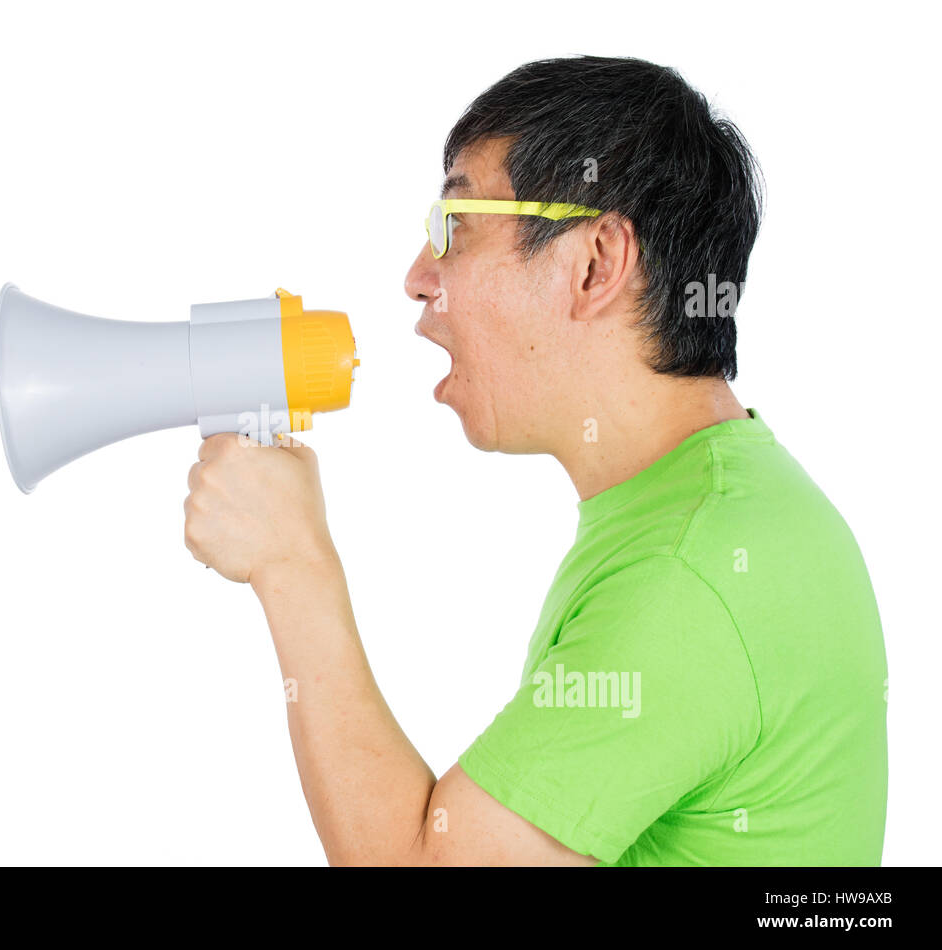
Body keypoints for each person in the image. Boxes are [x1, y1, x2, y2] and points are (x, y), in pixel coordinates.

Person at [182, 55, 888, 866]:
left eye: (454, 227)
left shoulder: (688, 575)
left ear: (595, 263)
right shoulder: (719, 508)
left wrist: (290, 562)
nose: (416, 279)